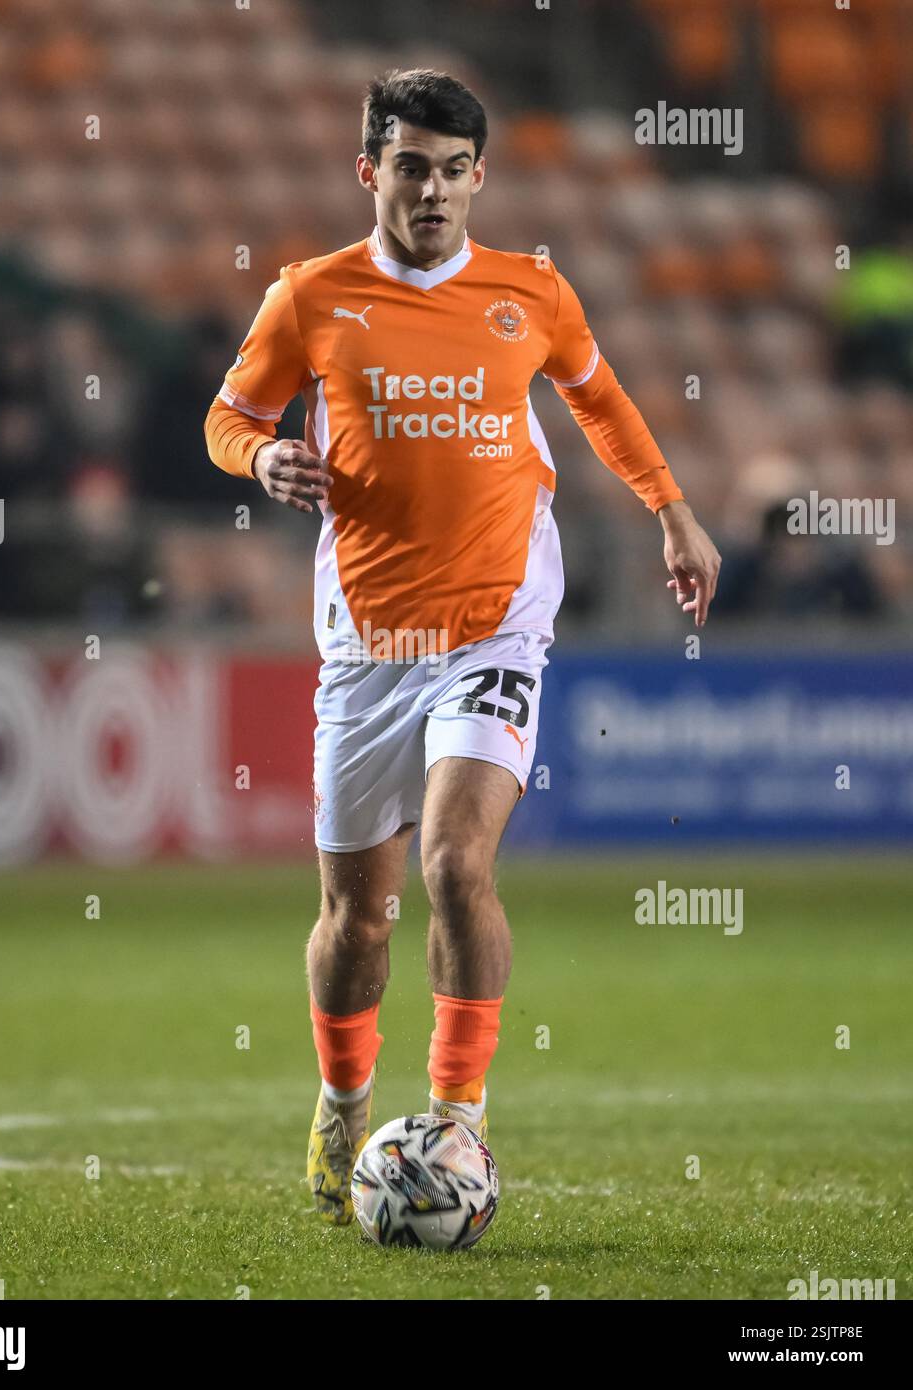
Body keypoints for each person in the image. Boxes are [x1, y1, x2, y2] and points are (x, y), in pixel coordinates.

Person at [205, 69, 720, 1224]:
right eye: (408, 167)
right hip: (367, 648)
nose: (430, 190)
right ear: (369, 172)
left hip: (495, 626)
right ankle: (343, 1104)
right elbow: (227, 414)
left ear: (478, 178)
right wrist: (259, 458)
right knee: (358, 918)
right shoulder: (312, 296)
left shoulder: (529, 293)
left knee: (454, 863)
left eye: (450, 170)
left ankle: (457, 1117)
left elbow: (599, 400)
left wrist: (670, 508)